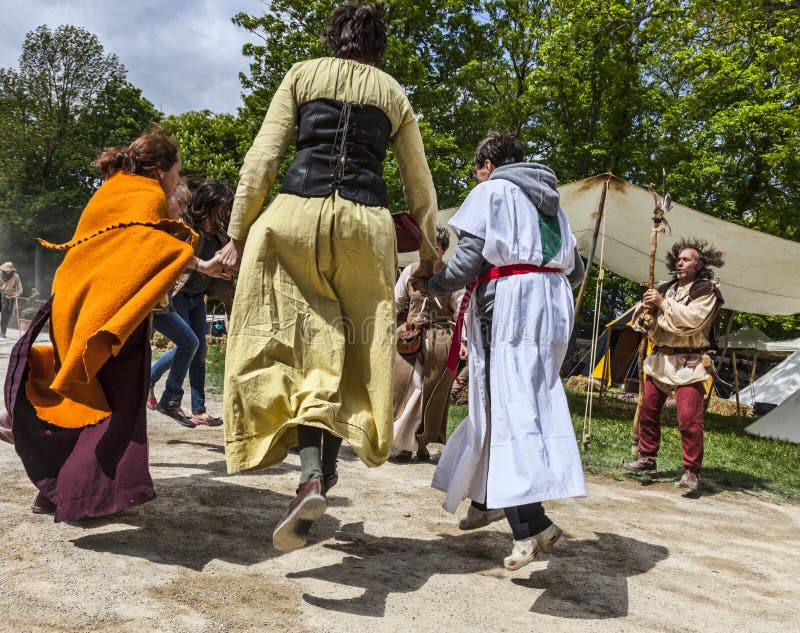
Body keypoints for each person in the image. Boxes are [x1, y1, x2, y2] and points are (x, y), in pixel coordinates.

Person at [216, 2, 437, 552]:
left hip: (292, 215)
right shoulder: (393, 93)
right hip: (367, 227)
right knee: (356, 355)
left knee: (294, 345)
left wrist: (239, 230)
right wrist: (429, 253)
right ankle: (323, 474)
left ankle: (312, 475)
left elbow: (262, 158)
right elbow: (419, 184)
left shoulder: (301, 74)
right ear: (379, 46)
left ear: (332, 38)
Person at [3, 131, 217, 521]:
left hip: (72, 303)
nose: (177, 179)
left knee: (85, 398)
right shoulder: (146, 194)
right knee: (115, 409)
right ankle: (80, 497)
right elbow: (147, 250)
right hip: (108, 313)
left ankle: (52, 492)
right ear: (161, 169)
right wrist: (189, 243)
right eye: (177, 171)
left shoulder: (111, 189)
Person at [417, 133, 586, 571]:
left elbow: (469, 257)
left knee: (506, 409)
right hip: (551, 302)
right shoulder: (554, 203)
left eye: (477, 168)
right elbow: (577, 267)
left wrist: (432, 284)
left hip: (511, 304)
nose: (477, 175)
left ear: (488, 163)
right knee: (514, 405)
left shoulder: (493, 190)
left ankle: (531, 524)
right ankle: (487, 498)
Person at [622, 239, 725, 491]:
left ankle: (691, 470)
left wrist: (661, 304)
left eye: (686, 259)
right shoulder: (665, 288)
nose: (680, 262)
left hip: (690, 361)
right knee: (648, 408)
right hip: (661, 358)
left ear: (700, 264)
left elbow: (692, 321)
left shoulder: (707, 291)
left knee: (689, 418)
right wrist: (645, 315)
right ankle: (647, 458)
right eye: (678, 259)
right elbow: (644, 319)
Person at [150, 181, 234, 427]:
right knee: (189, 345)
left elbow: (218, 261)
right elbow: (172, 253)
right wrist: (202, 264)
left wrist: (221, 271)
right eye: (222, 206)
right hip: (177, 293)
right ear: (209, 204)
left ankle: (199, 408)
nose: (225, 212)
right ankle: (155, 382)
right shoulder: (184, 224)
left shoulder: (218, 230)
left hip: (198, 294)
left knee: (199, 351)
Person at [392, 226, 462, 462]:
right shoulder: (410, 272)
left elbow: (461, 309)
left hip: (440, 337)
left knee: (429, 391)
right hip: (410, 336)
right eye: (427, 249)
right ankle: (404, 444)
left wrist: (463, 340)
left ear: (443, 250)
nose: (432, 254)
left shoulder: (451, 276)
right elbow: (394, 302)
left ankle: (421, 443)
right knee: (407, 387)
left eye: (437, 250)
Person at [0, 261, 23, 337]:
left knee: (6, 315)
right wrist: (1, 288)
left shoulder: (16, 276)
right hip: (1, 295)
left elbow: (20, 289)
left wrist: (16, 294)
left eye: (10, 269)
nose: (8, 271)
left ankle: (3, 332)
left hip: (10, 298)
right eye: (7, 269)